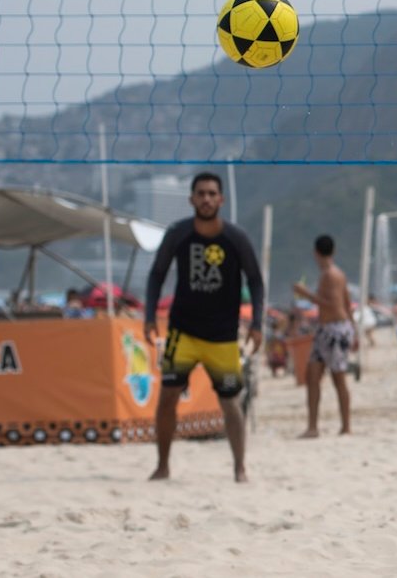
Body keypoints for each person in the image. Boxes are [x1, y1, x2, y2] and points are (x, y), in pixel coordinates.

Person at [144, 172, 264, 483]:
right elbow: (157, 274)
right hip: (182, 333)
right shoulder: (178, 233)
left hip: (223, 337)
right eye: (201, 193)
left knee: (230, 401)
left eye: (212, 194)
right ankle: (162, 466)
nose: (206, 199)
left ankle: (239, 468)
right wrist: (149, 316)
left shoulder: (236, 237)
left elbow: (255, 279)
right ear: (191, 199)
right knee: (167, 398)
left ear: (221, 199)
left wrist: (258, 324)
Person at [292, 235, 357, 438]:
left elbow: (334, 305)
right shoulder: (338, 274)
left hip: (334, 330)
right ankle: (313, 427)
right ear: (333, 251)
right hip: (329, 329)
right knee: (312, 377)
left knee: (338, 378)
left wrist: (305, 294)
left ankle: (345, 426)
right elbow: (347, 303)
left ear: (315, 253)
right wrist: (354, 330)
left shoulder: (330, 275)